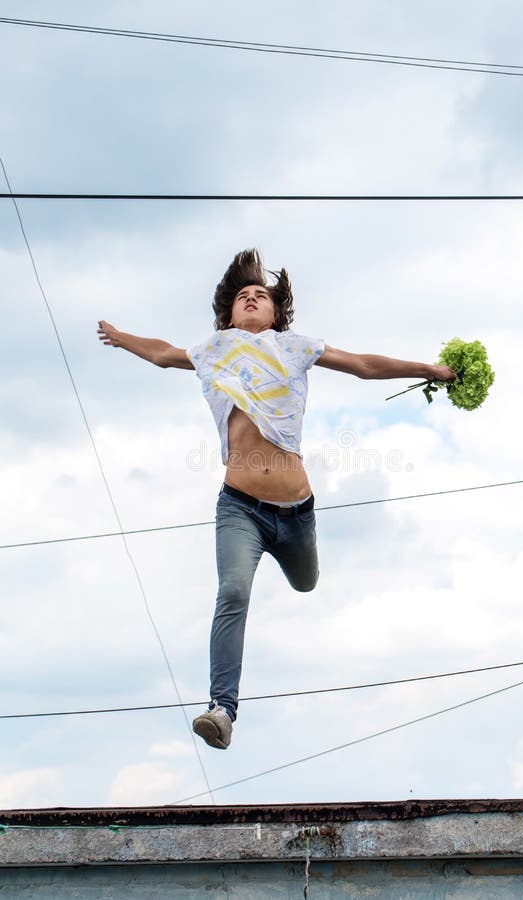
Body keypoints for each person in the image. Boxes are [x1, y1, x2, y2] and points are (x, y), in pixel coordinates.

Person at [98, 248, 455, 750]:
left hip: (296, 514)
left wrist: (428, 369)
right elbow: (161, 352)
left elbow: (363, 365)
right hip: (239, 508)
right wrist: (121, 337)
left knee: (306, 583)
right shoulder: (214, 350)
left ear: (276, 314)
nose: (250, 298)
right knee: (233, 593)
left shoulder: (294, 348)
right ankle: (222, 709)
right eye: (243, 295)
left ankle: (296, 560)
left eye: (260, 296)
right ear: (228, 314)